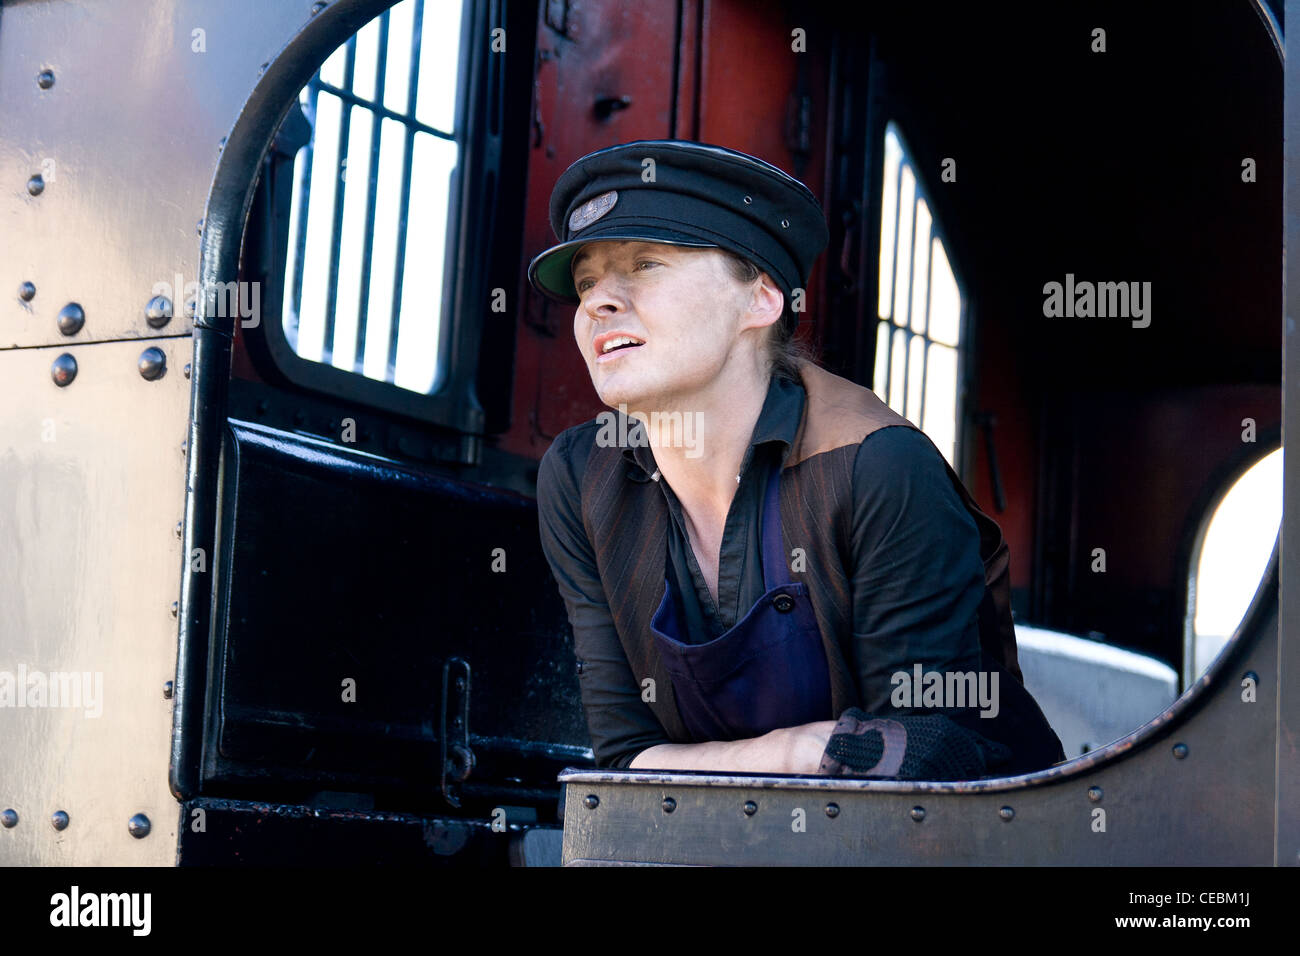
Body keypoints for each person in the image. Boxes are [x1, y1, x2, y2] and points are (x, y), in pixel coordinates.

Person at [529, 139, 1064, 779]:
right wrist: (795, 751)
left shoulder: (879, 468)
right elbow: (621, 759)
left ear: (760, 299)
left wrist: (711, 765)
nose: (596, 303)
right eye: (587, 283)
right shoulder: (579, 478)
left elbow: (925, 755)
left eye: (646, 264)